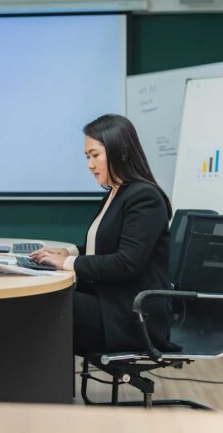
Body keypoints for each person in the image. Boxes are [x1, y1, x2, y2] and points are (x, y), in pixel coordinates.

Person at [30, 114, 173, 354]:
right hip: (110, 304)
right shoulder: (116, 193)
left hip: (133, 315)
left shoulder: (144, 197)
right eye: (87, 157)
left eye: (95, 155)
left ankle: (39, 389)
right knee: (45, 302)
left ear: (122, 152)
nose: (90, 164)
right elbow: (108, 247)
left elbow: (126, 262)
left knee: (45, 305)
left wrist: (66, 263)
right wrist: (70, 252)